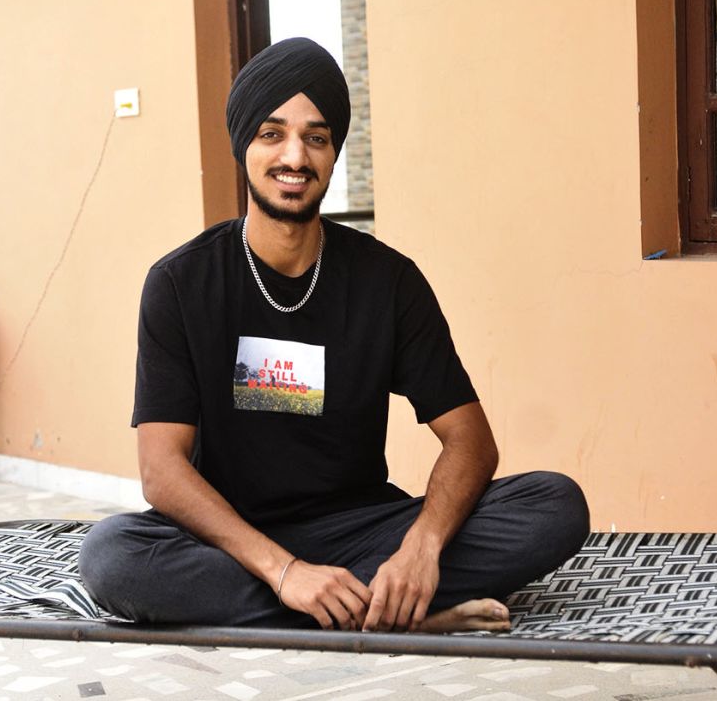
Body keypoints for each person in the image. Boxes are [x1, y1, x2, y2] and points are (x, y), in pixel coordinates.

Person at [80, 37, 589, 632]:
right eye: (272, 134)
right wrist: (285, 570)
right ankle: (393, 615)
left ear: (333, 152)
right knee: (114, 556)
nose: (294, 156)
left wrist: (419, 550)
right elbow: (161, 472)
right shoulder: (180, 283)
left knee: (554, 504)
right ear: (242, 144)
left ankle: (370, 600)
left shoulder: (388, 282)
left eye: (316, 138)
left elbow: (471, 441)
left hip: (363, 527)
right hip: (234, 539)